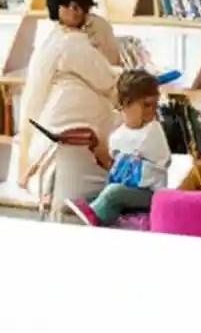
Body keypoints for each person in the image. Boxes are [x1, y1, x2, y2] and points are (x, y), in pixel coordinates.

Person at [19, 0, 121, 221]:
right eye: (68, 5)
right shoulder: (64, 42)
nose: (74, 11)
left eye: (79, 5)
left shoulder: (96, 29)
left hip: (68, 127)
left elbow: (110, 65)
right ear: (57, 6)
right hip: (72, 126)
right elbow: (108, 78)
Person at [66, 69, 170, 227]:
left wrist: (133, 171)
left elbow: (161, 167)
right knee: (101, 192)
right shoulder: (118, 135)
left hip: (149, 192)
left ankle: (96, 218)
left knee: (114, 193)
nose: (151, 111)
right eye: (146, 105)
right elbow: (114, 164)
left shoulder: (153, 132)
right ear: (125, 105)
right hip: (127, 188)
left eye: (154, 105)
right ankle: (95, 213)